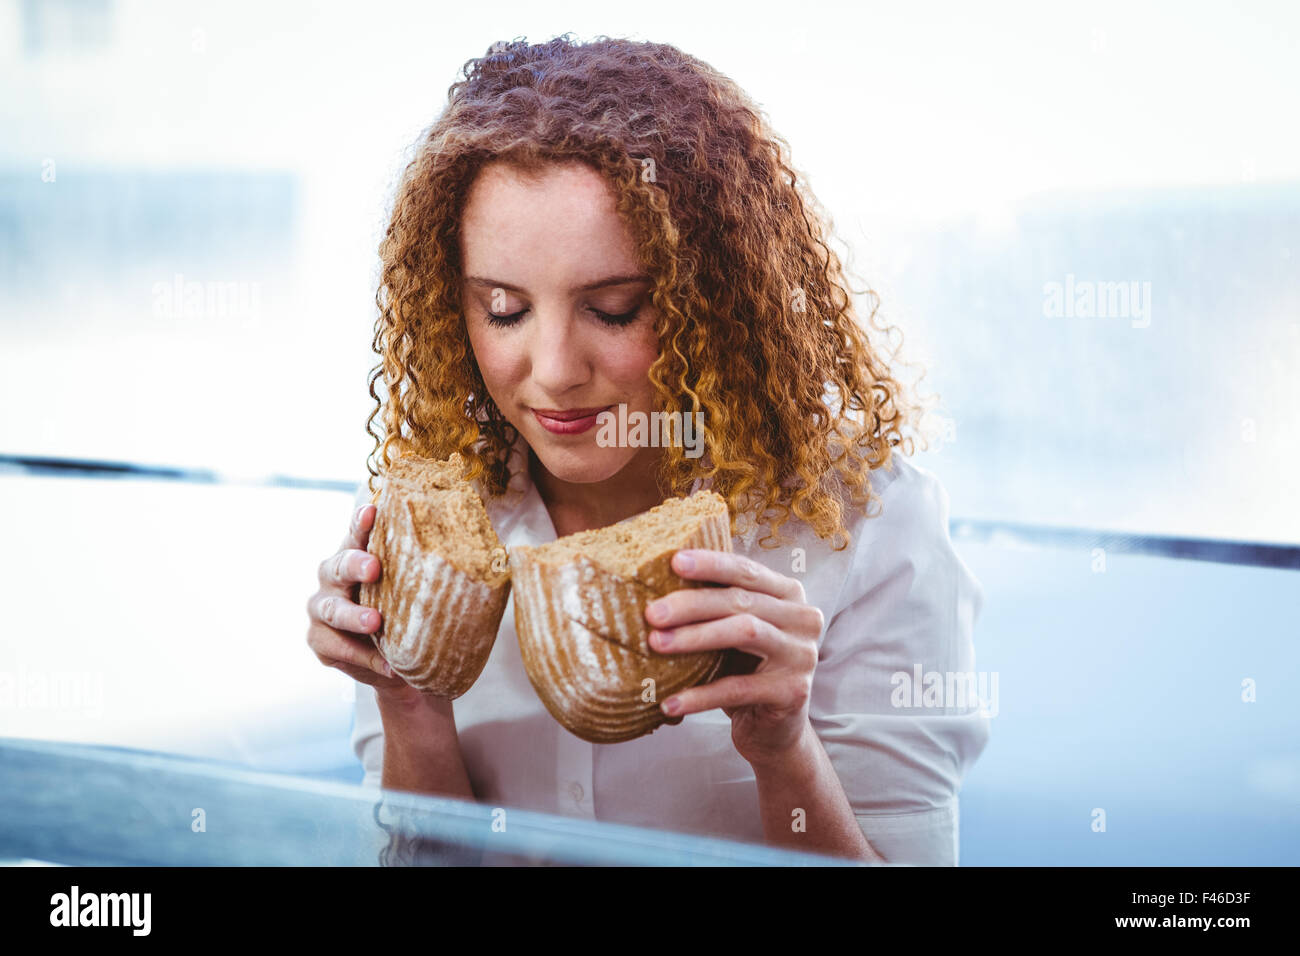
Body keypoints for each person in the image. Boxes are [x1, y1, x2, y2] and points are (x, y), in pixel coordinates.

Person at [305, 34, 989, 865]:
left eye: (615, 309)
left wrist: (783, 750)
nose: (554, 373)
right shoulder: (429, 533)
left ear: (717, 302)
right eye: (505, 310)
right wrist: (407, 703)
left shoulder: (868, 525)